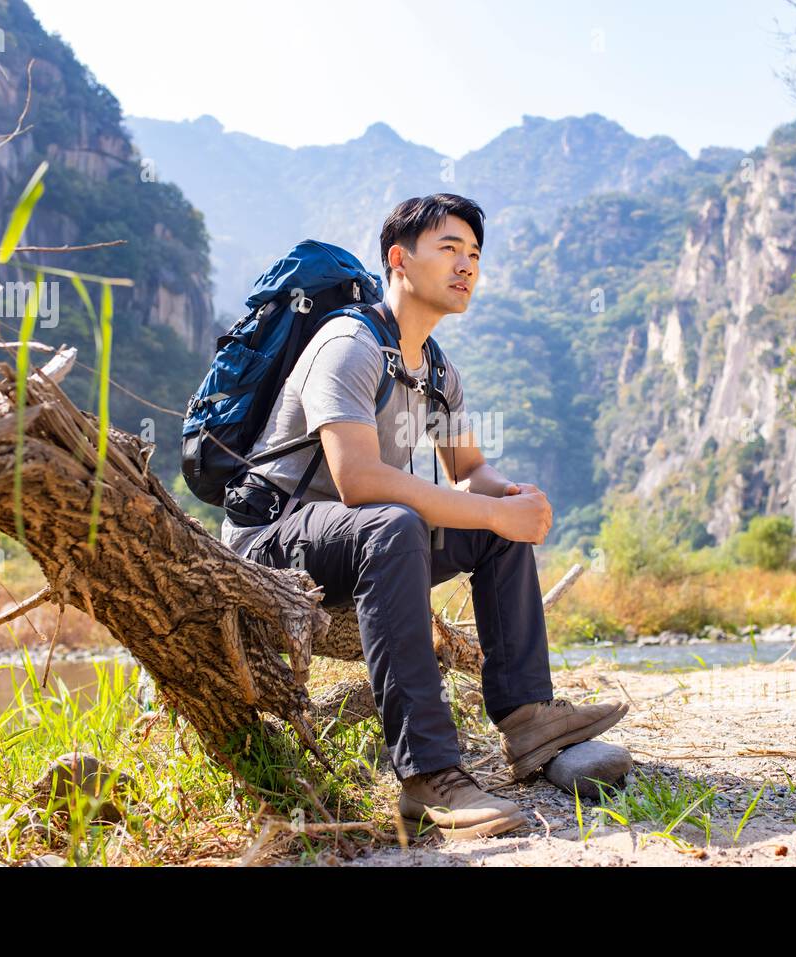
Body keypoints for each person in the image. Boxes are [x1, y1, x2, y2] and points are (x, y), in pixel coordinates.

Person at [221, 193, 628, 840]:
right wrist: (493, 513)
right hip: (272, 536)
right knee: (396, 520)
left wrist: (514, 498)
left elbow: (469, 470)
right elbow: (358, 481)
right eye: (449, 249)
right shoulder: (349, 344)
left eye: (474, 254)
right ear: (399, 260)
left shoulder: (436, 369)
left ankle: (528, 720)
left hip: (362, 538)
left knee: (490, 518)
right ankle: (428, 773)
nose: (467, 265)